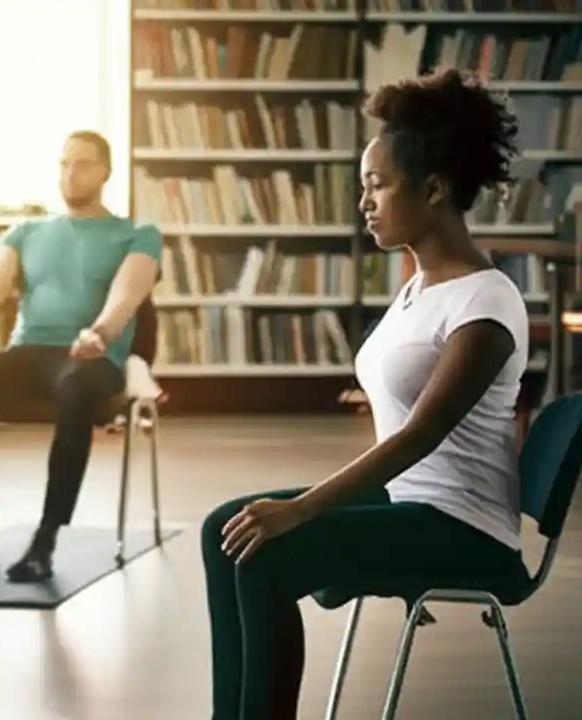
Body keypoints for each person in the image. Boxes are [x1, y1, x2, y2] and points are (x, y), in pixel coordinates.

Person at [201, 68, 530, 719]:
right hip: (408, 504)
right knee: (224, 531)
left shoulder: (486, 302)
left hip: (461, 528)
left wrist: (302, 511)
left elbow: (420, 435)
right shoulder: (418, 287)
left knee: (269, 555)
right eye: (363, 187)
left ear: (433, 189)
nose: (365, 202)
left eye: (377, 185)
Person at [0, 130, 162, 582]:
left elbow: (128, 293)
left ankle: (45, 540)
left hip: (92, 362)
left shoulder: (135, 234)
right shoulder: (26, 231)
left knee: (75, 386)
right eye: (64, 164)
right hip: (28, 355)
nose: (70, 173)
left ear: (105, 171)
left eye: (82, 164)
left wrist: (99, 333)